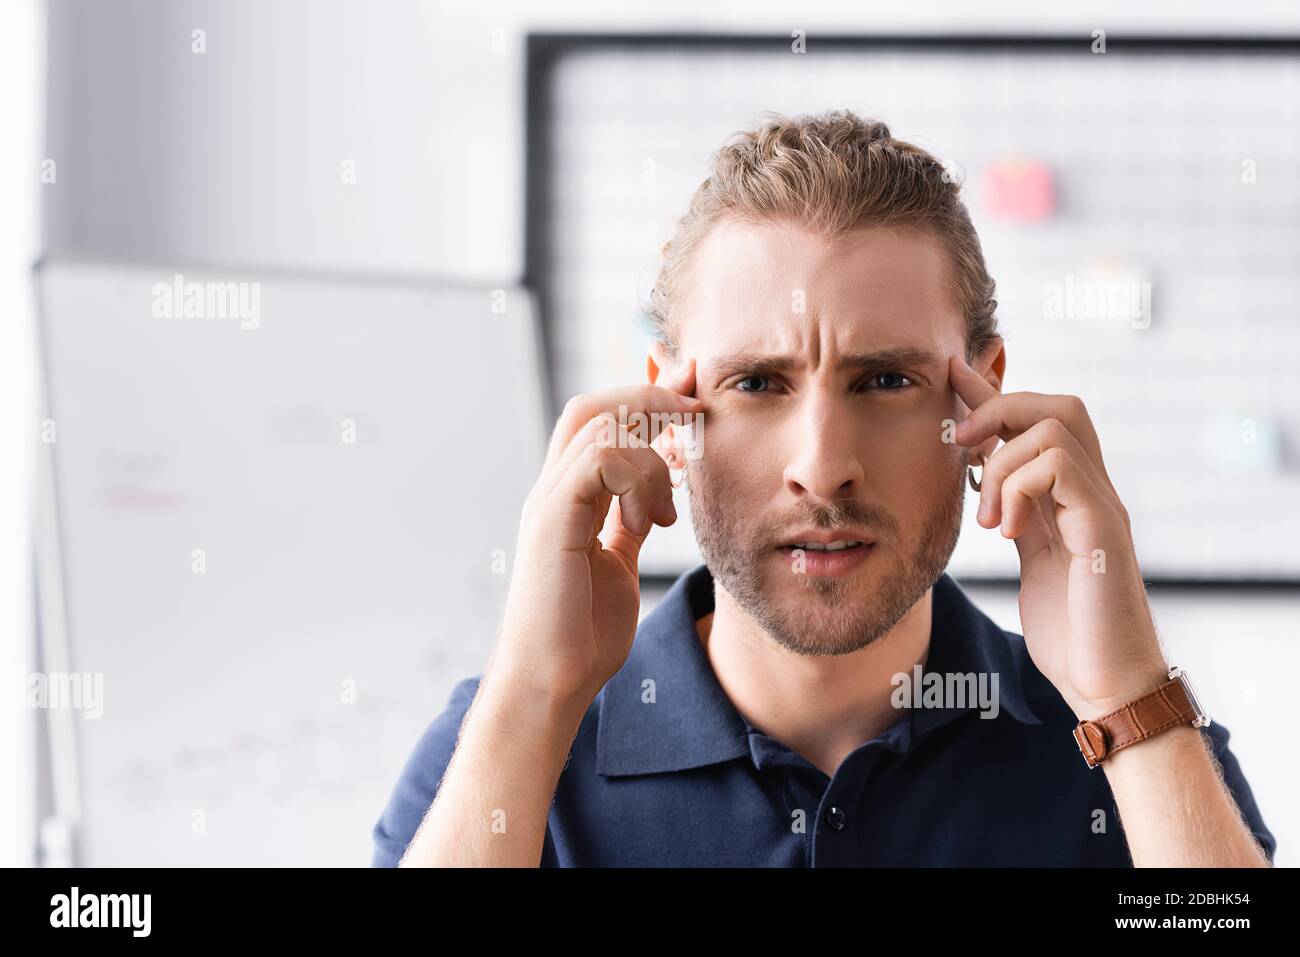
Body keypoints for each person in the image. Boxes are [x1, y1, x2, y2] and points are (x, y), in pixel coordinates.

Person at [373, 109, 1275, 867]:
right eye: (757, 383)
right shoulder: (504, 741)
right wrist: (533, 696)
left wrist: (1123, 689)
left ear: (984, 397)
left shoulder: (1125, 737)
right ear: (668, 410)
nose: (822, 464)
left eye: (885, 380)